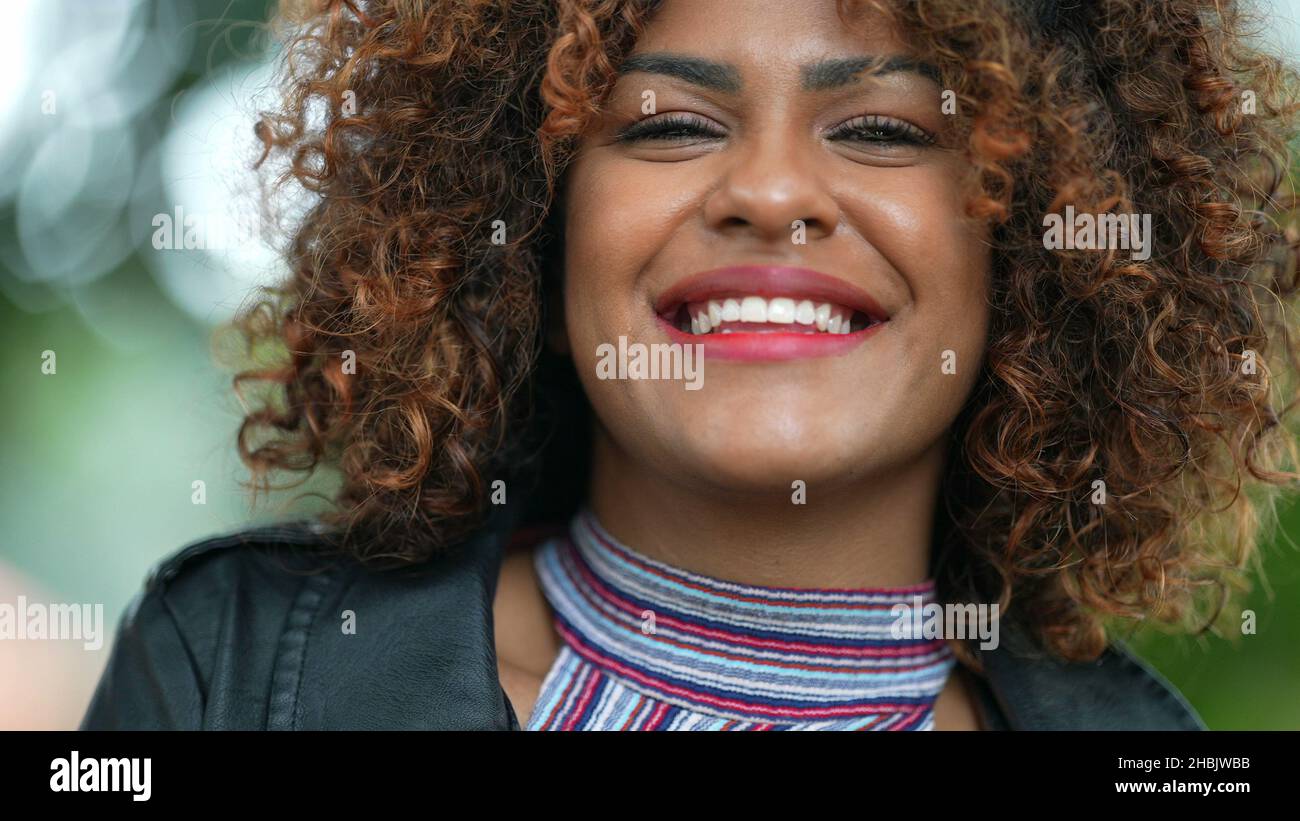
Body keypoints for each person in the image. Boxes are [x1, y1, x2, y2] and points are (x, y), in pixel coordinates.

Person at [83, 0, 1298, 730]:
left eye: (881, 128)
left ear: (1031, 253)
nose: (768, 193)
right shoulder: (226, 670)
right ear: (535, 234)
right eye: (667, 123)